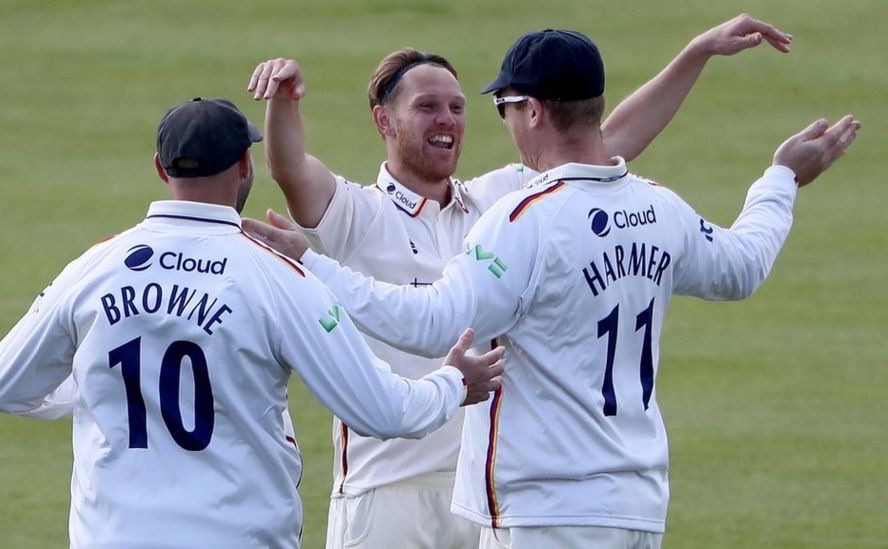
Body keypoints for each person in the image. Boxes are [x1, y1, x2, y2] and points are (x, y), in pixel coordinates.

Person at [244, 28, 860, 549]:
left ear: (531, 109)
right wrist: (779, 180)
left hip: (542, 510)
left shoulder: (517, 214)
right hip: (630, 503)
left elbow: (431, 324)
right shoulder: (657, 208)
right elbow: (744, 264)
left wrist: (309, 268)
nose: (461, 121)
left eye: (489, 107)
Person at [0, 97, 505, 549]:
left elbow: (2, 387)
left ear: (162, 169)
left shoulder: (96, 266)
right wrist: (453, 382)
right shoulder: (275, 276)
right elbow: (383, 410)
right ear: (245, 167)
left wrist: (100, 383)